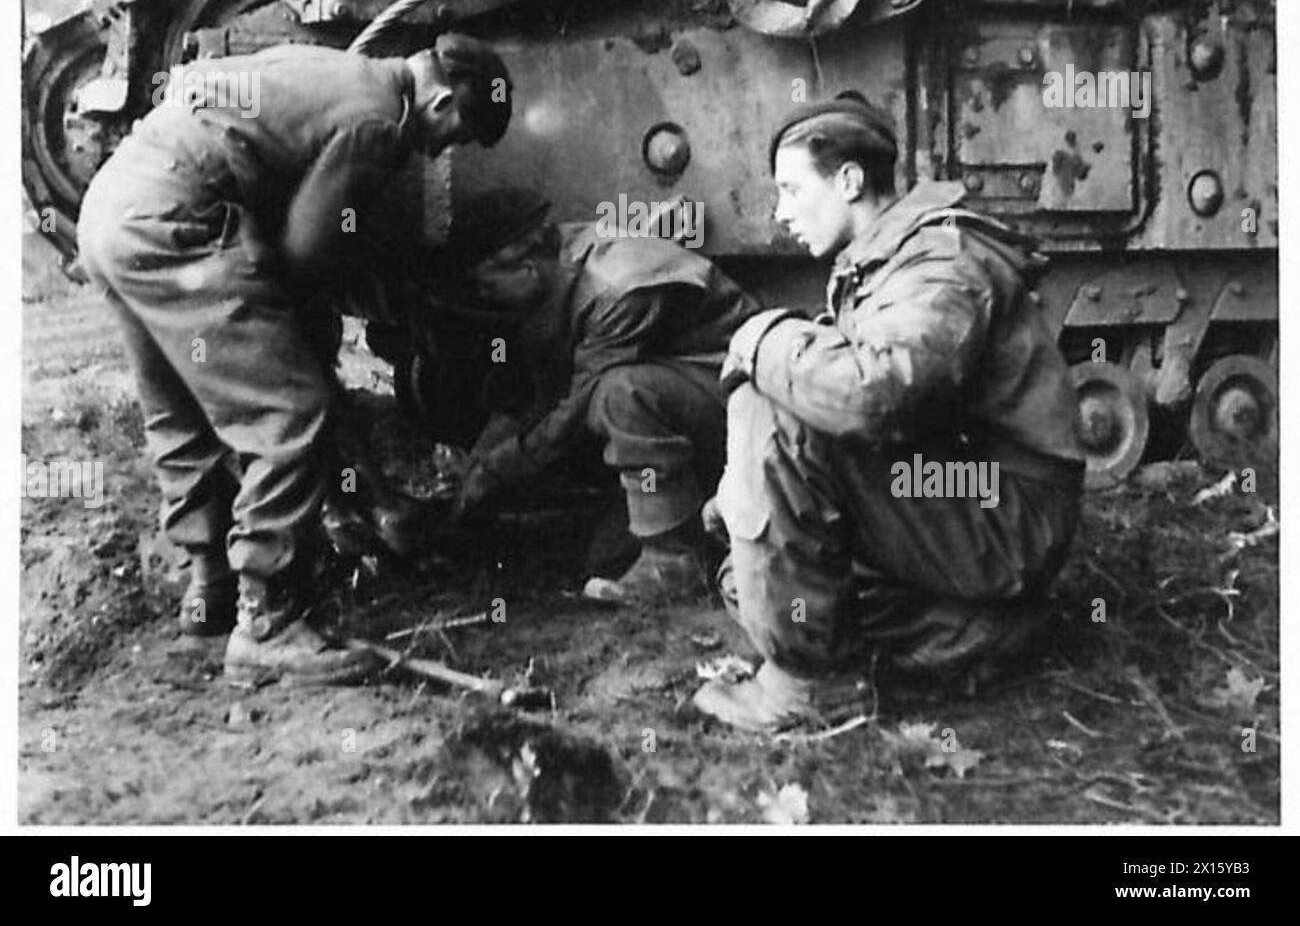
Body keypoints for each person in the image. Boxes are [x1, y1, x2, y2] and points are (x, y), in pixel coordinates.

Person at [77, 35, 512, 686]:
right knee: (289, 411)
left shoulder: (335, 66)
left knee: (182, 409)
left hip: (114, 211)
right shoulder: (380, 124)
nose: (441, 149)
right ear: (442, 98)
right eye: (455, 132)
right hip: (181, 224)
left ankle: (211, 590)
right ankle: (269, 623)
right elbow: (307, 249)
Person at [693, 94, 1086, 731]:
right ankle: (976, 631)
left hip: (1009, 508)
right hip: (967, 481)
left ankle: (810, 686)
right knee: (754, 577)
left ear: (848, 181)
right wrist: (747, 496)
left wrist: (759, 338)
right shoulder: (889, 254)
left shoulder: (940, 261)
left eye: (793, 191)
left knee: (775, 417)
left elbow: (874, 396)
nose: (780, 213)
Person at [450, 189, 760, 604]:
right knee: (604, 557)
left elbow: (575, 408)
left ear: (526, 268)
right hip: (685, 404)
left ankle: (673, 561)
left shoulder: (617, 289)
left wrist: (500, 469)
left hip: (744, 412)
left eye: (488, 286)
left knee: (618, 394)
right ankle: (694, 527)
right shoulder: (553, 269)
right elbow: (540, 390)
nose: (485, 298)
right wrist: (483, 455)